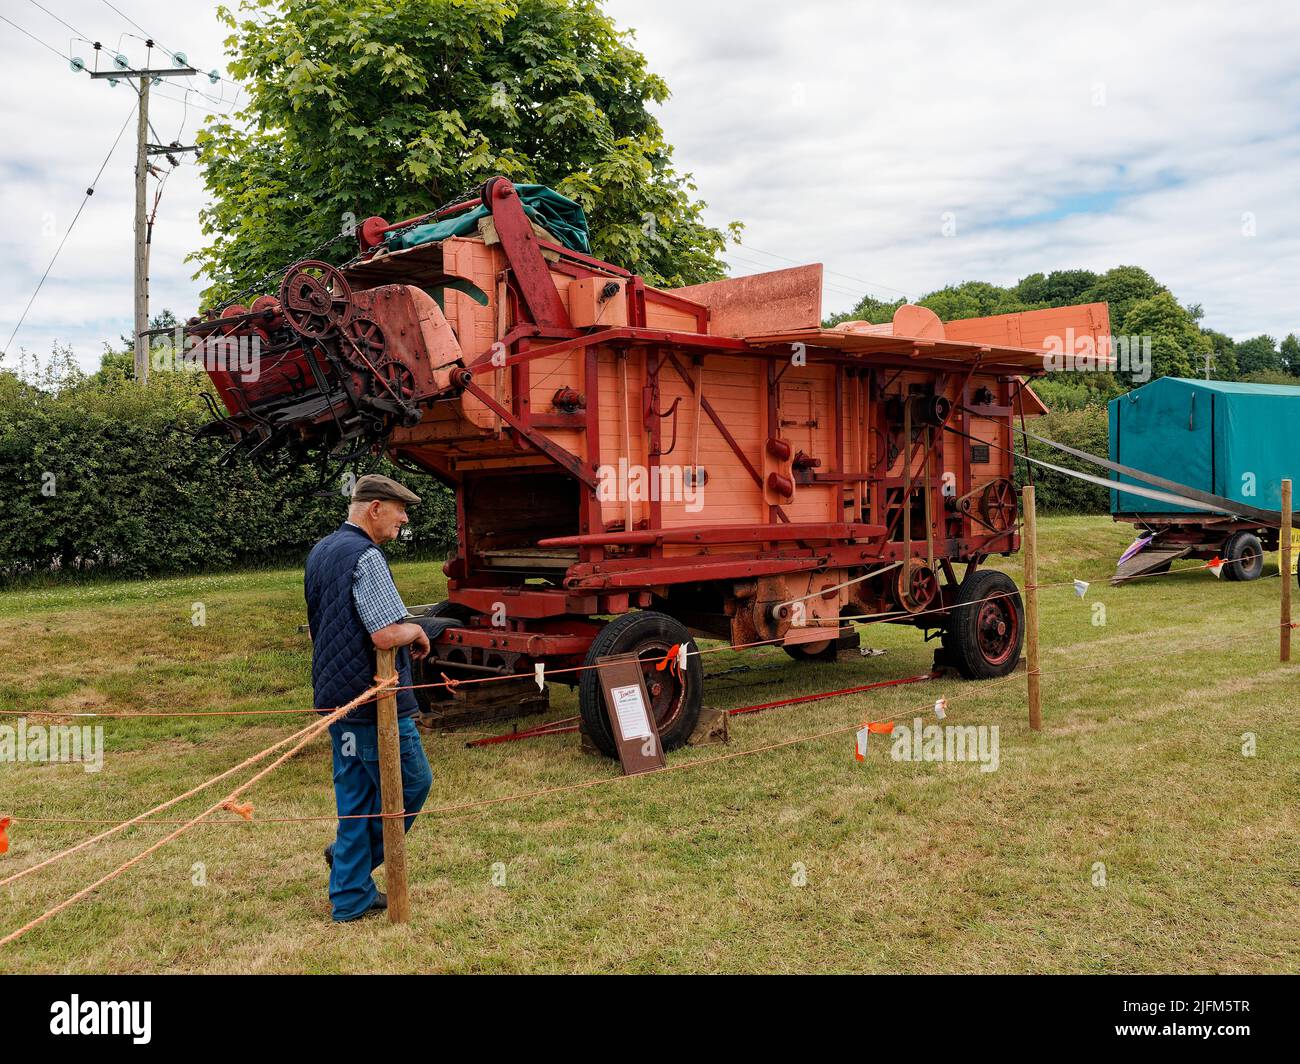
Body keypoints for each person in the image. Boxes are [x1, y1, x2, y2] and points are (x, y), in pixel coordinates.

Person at [304, 474, 433, 922]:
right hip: (373, 699)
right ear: (375, 507)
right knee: (414, 784)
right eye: (400, 510)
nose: (404, 519)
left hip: (336, 699)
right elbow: (383, 634)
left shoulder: (322, 550)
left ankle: (351, 897)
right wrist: (416, 629)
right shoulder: (367, 556)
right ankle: (348, 864)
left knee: (356, 798)